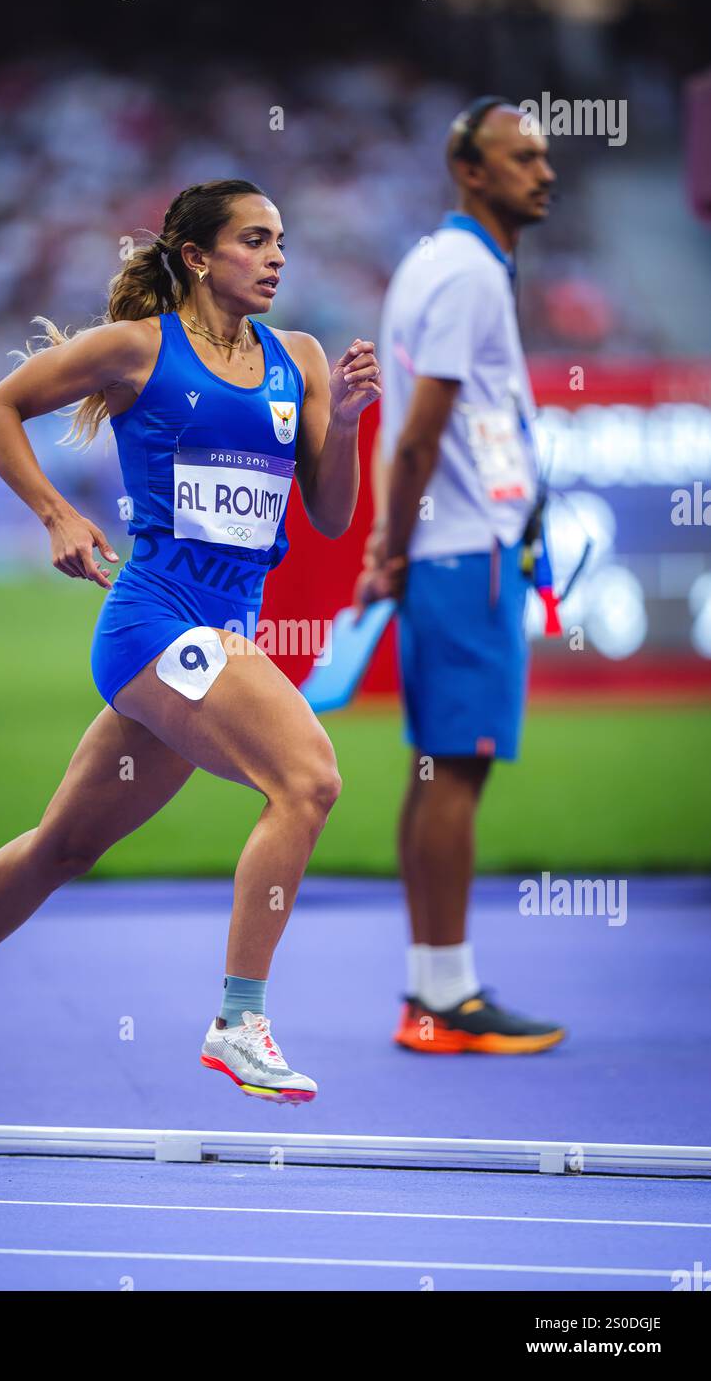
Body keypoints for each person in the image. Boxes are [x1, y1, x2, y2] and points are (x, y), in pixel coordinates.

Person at [0, 178, 380, 1118]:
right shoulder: (141, 349)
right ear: (195, 256)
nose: (276, 257)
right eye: (254, 240)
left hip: (228, 635)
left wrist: (339, 419)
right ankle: (239, 1020)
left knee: (62, 848)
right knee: (308, 782)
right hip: (153, 622)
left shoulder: (296, 359)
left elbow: (333, 516)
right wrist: (56, 511)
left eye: (281, 241)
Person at [355, 99, 567, 1054]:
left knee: (437, 764)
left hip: (452, 549)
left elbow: (406, 429)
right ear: (470, 172)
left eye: (546, 155)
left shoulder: (432, 265)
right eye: (521, 157)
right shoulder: (472, 274)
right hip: (467, 553)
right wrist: (391, 549)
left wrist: (389, 547)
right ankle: (446, 998)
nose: (545, 170)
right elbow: (418, 431)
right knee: (458, 769)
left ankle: (430, 988)